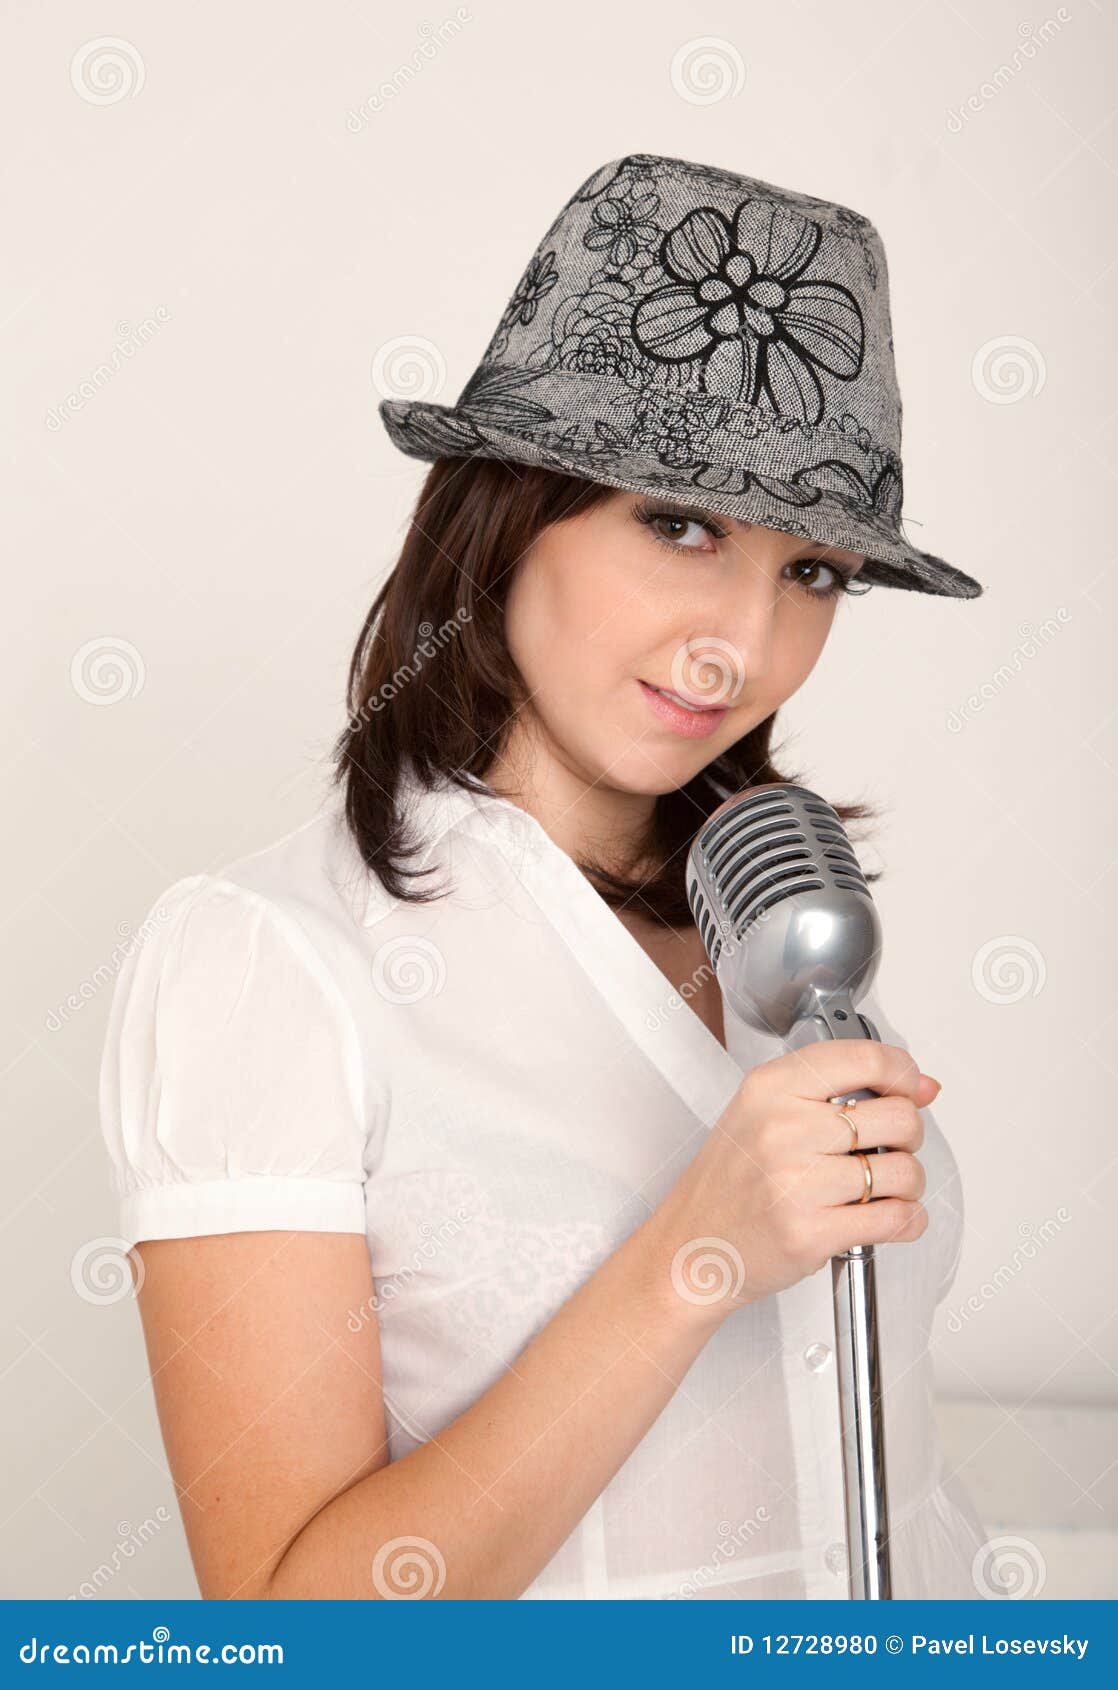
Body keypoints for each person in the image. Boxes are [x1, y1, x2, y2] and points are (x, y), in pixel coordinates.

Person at [98, 152, 988, 1601]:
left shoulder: (779, 918)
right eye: (680, 523)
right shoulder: (269, 960)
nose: (743, 640)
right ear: (508, 509)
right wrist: (691, 1250)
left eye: (812, 571)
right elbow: (289, 1621)